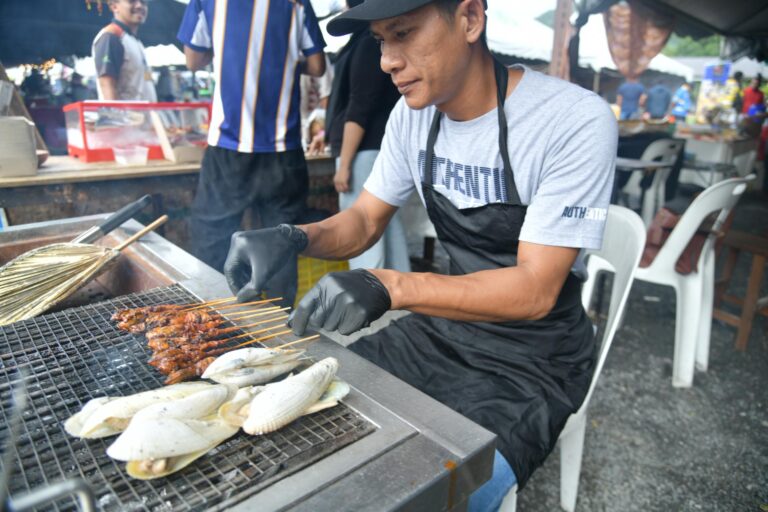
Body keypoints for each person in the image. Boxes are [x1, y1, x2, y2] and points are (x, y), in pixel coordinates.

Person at [223, 0, 616, 508]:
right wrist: (295, 237)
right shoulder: (413, 118)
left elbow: (536, 289)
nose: (387, 60)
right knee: (297, 421)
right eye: (381, 40)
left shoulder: (570, 120)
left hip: (530, 361)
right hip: (439, 329)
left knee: (428, 495)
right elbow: (363, 220)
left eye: (404, 33)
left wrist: (394, 286)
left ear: (470, 19)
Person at [178, 0, 326, 309]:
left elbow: (193, 59)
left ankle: (216, 324)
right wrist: (284, 59)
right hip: (283, 148)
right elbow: (317, 66)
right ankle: (277, 332)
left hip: (230, 145)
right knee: (280, 244)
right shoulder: (297, 2)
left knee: (213, 239)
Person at [319, 0, 410, 272]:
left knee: (361, 228)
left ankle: (368, 294)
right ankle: (398, 300)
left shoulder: (367, 44)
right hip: (371, 149)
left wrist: (344, 164)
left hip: (363, 152)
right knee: (385, 227)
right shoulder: (363, 42)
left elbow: (359, 107)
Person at [92, 0, 157, 101]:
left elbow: (144, 81)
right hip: (127, 116)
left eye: (143, 2)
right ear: (114, 6)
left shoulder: (135, 42)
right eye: (132, 1)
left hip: (143, 115)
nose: (139, 5)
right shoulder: (111, 36)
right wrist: (115, 115)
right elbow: (107, 85)